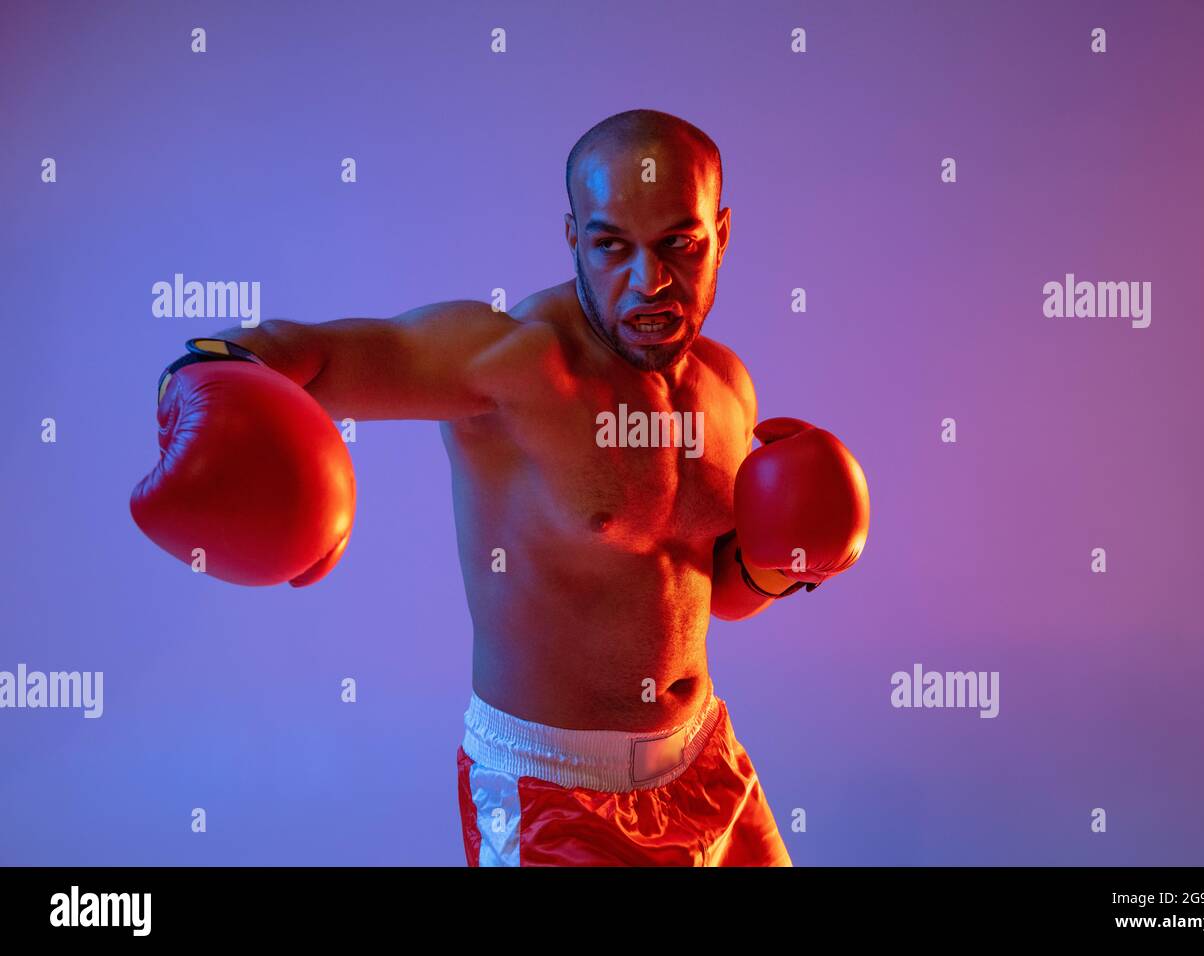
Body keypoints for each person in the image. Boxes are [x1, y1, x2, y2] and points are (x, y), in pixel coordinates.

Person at [132, 109, 869, 866]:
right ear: (574, 237)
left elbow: (708, 588)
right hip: (557, 796)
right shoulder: (509, 363)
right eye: (612, 246)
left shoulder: (726, 385)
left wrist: (781, 564)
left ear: (721, 232)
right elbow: (305, 352)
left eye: (678, 245)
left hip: (706, 762)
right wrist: (200, 376)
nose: (648, 282)